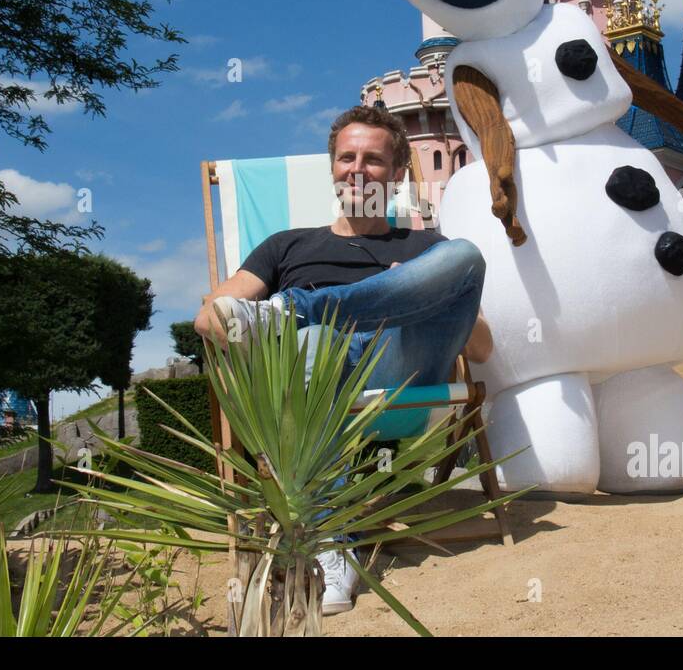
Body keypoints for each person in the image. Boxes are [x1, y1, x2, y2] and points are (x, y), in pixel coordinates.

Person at [193, 105, 491, 615]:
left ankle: (298, 309)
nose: (358, 168)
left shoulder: (424, 246)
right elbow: (211, 320)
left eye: (373, 160)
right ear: (332, 168)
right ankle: (331, 544)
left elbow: (480, 347)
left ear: (398, 174)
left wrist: (409, 292)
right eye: (347, 157)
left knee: (466, 255)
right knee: (311, 344)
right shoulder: (286, 247)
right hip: (312, 381)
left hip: (398, 373)